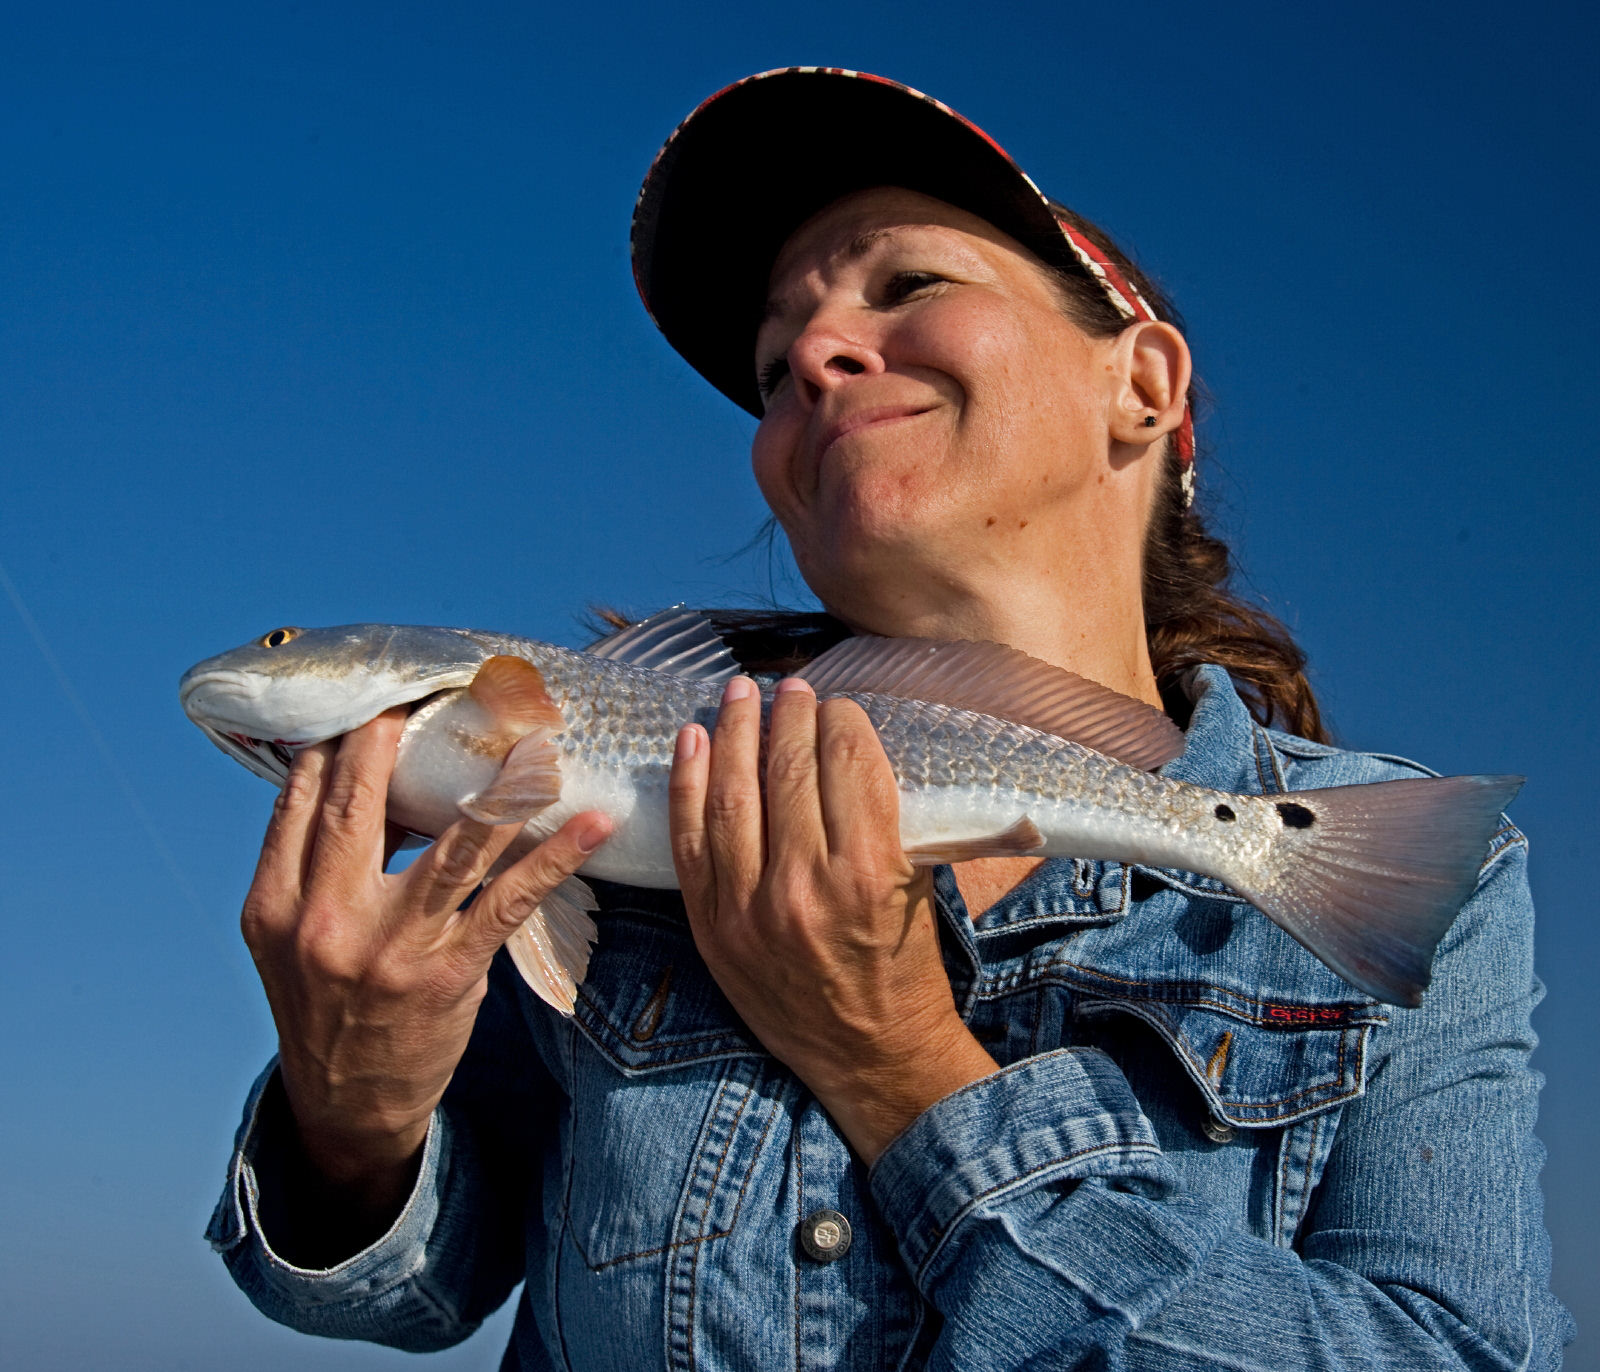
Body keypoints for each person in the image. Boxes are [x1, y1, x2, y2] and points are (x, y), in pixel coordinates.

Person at [207, 68, 1573, 1369]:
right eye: (768, 365)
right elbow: (423, 1287)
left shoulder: (1412, 872)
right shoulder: (599, 853)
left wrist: (904, 1068)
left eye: (907, 285)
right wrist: (351, 1121)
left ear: (1144, 386)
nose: (810, 352)